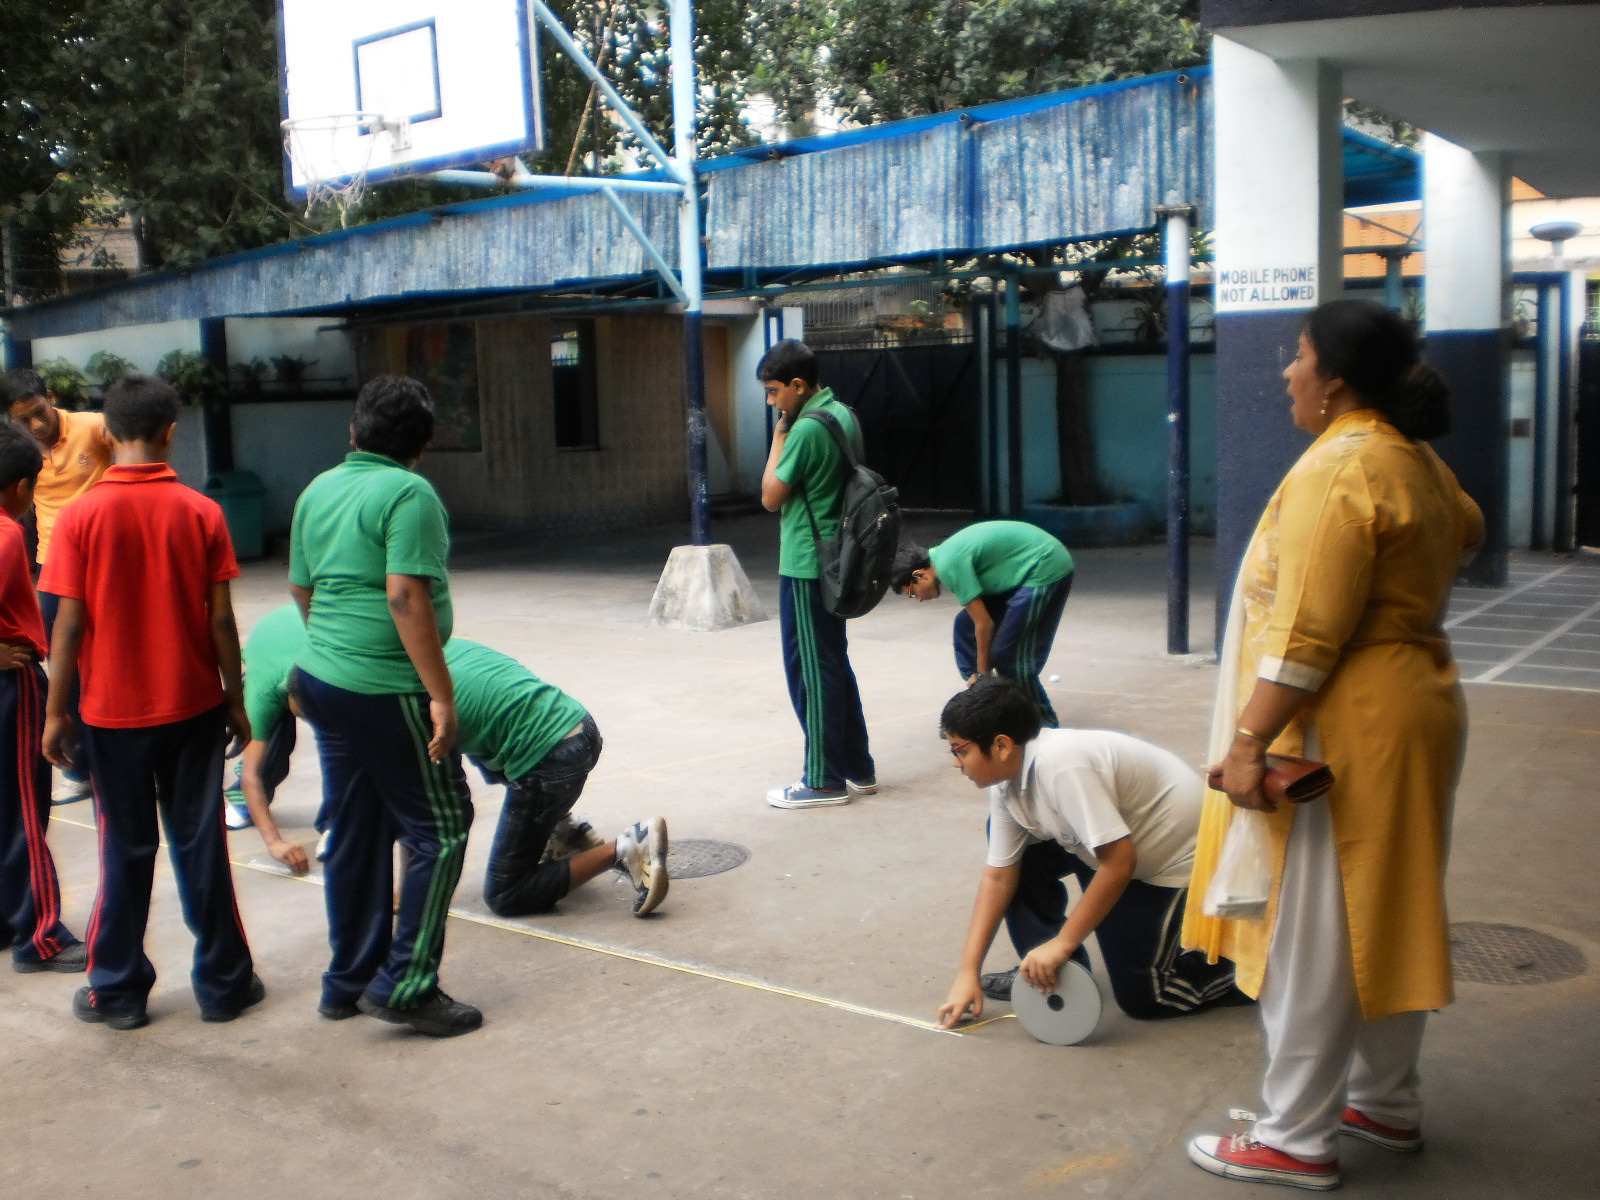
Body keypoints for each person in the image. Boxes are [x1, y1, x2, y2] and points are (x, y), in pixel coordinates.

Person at [1183, 299, 1484, 1191]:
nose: (1288, 370)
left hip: (1346, 722)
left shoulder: (1342, 465)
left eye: (1300, 355)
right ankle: (1384, 1101)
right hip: (1413, 705)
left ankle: (1294, 1138)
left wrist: (1250, 740)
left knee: (1315, 930)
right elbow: (1465, 531)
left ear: (1336, 380)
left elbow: (1306, 633)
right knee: (1381, 910)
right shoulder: (1416, 459)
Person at [41, 375, 260, 1031]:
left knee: (125, 849)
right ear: (171, 433)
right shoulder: (201, 512)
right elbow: (220, 620)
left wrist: (56, 712)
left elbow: (68, 626)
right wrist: (235, 698)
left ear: (107, 434)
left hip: (111, 716)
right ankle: (224, 986)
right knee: (201, 841)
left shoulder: (79, 517)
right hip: (193, 707)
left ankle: (118, 991)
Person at [229, 607, 669, 919]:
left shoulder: (401, 710)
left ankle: (624, 848)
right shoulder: (394, 649)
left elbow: (424, 813)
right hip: (572, 722)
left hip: (552, 756)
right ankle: (563, 829)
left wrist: (407, 892)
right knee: (474, 749)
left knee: (507, 894)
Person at [288, 375, 480, 1037]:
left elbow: (301, 587)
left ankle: (348, 982)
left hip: (322, 678)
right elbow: (404, 595)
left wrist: (332, 649)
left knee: (357, 827)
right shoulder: (408, 492)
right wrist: (440, 694)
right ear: (422, 445)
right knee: (442, 828)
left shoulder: (318, 489)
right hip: (382, 687)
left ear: (354, 431)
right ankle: (405, 984)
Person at [935, 677, 1247, 1031]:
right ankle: (1048, 973)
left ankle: (1247, 971)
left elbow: (1120, 862)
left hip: (1171, 860)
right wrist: (967, 972)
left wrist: (1064, 942)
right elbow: (998, 876)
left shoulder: (1062, 766)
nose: (956, 763)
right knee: (1013, 847)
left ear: (1002, 745)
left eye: (960, 750)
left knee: (1146, 998)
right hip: (1111, 848)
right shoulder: (1007, 778)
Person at [758, 339, 875, 810]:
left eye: (774, 392)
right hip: (835, 559)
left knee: (810, 670)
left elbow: (770, 496)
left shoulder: (805, 429)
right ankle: (858, 768)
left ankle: (824, 779)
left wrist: (778, 437)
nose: (772, 402)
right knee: (832, 664)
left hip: (806, 564)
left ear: (798, 385)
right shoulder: (842, 414)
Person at [2, 367, 110, 805]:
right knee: (66, 670)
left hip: (104, 566)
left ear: (51, 397)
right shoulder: (18, 453)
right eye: (22, 419)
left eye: (39, 413)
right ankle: (79, 768)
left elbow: (140, 450)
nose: (35, 425)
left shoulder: (92, 427)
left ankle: (132, 759)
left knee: (113, 661)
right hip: (53, 568)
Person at [0, 419, 85, 975]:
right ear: (22, 487)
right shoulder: (9, 533)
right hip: (13, 685)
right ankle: (40, 934)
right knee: (25, 810)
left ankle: (8, 918)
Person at [891, 521, 1075, 726]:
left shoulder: (948, 565)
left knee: (1008, 656)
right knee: (964, 625)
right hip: (1021, 571)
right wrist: (978, 675)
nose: (917, 598)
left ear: (919, 575)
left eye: (911, 592)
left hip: (1046, 566)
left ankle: (1043, 722)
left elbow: (984, 624)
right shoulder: (943, 558)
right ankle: (982, 698)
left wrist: (984, 673)